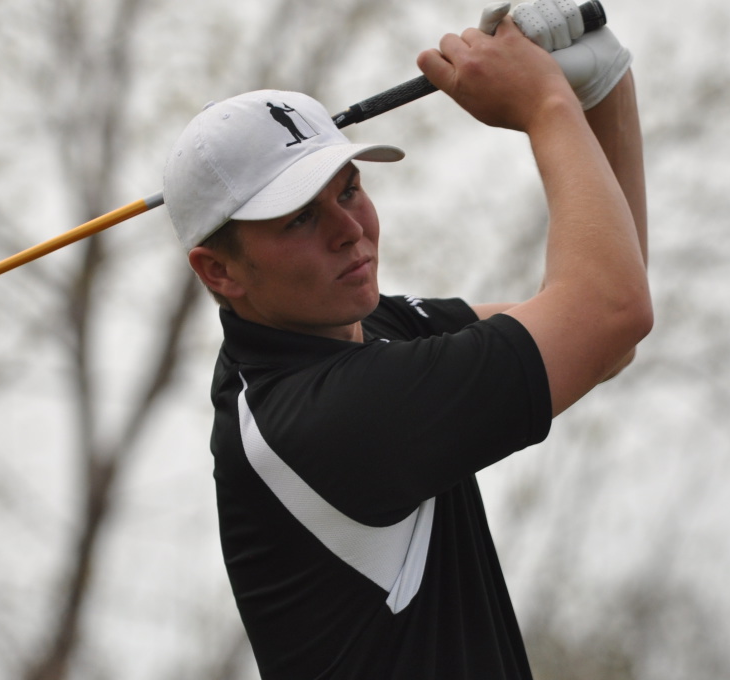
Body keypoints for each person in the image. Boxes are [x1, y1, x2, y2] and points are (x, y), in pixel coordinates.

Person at [161, 1, 651, 677]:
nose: (350, 228)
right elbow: (608, 311)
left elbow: (598, 333)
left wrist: (601, 90)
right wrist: (547, 108)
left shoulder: (361, 335)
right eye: (301, 218)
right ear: (219, 270)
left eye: (350, 189)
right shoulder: (319, 419)